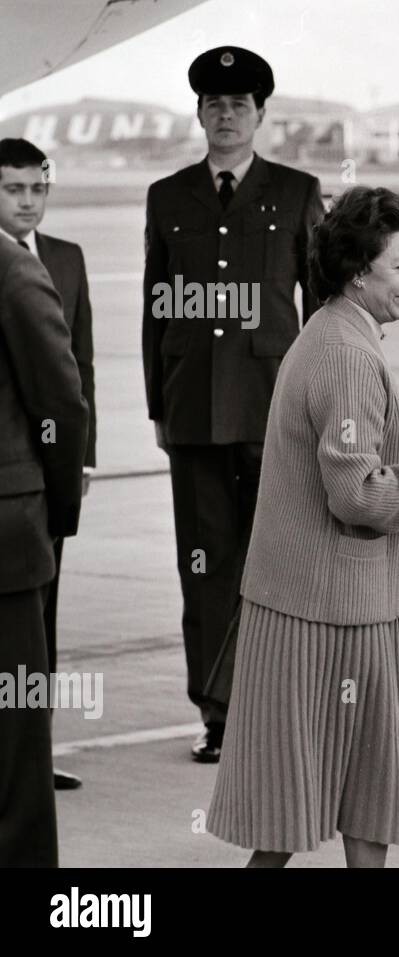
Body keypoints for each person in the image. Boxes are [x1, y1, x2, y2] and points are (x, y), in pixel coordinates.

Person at [206, 187, 399, 868]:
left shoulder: (333, 334)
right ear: (356, 273)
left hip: (334, 604)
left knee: (345, 795)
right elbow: (358, 495)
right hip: (328, 612)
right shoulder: (346, 355)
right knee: (307, 804)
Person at [141, 46, 325, 762]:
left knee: (278, 561)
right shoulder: (168, 195)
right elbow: (157, 304)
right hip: (192, 411)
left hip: (272, 406)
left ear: (260, 115)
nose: (225, 115)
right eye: (213, 105)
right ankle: (218, 713)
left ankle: (274, 704)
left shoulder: (297, 190)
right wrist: (158, 403)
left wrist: (316, 400)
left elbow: (320, 303)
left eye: (239, 105)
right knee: (204, 566)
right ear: (198, 113)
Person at [0, 136, 97, 792]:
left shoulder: (64, 258)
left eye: (38, 188)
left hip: (47, 475)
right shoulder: (14, 269)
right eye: (13, 189)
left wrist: (79, 463)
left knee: (40, 628)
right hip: (24, 494)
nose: (28, 201)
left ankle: (35, 744)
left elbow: (77, 371)